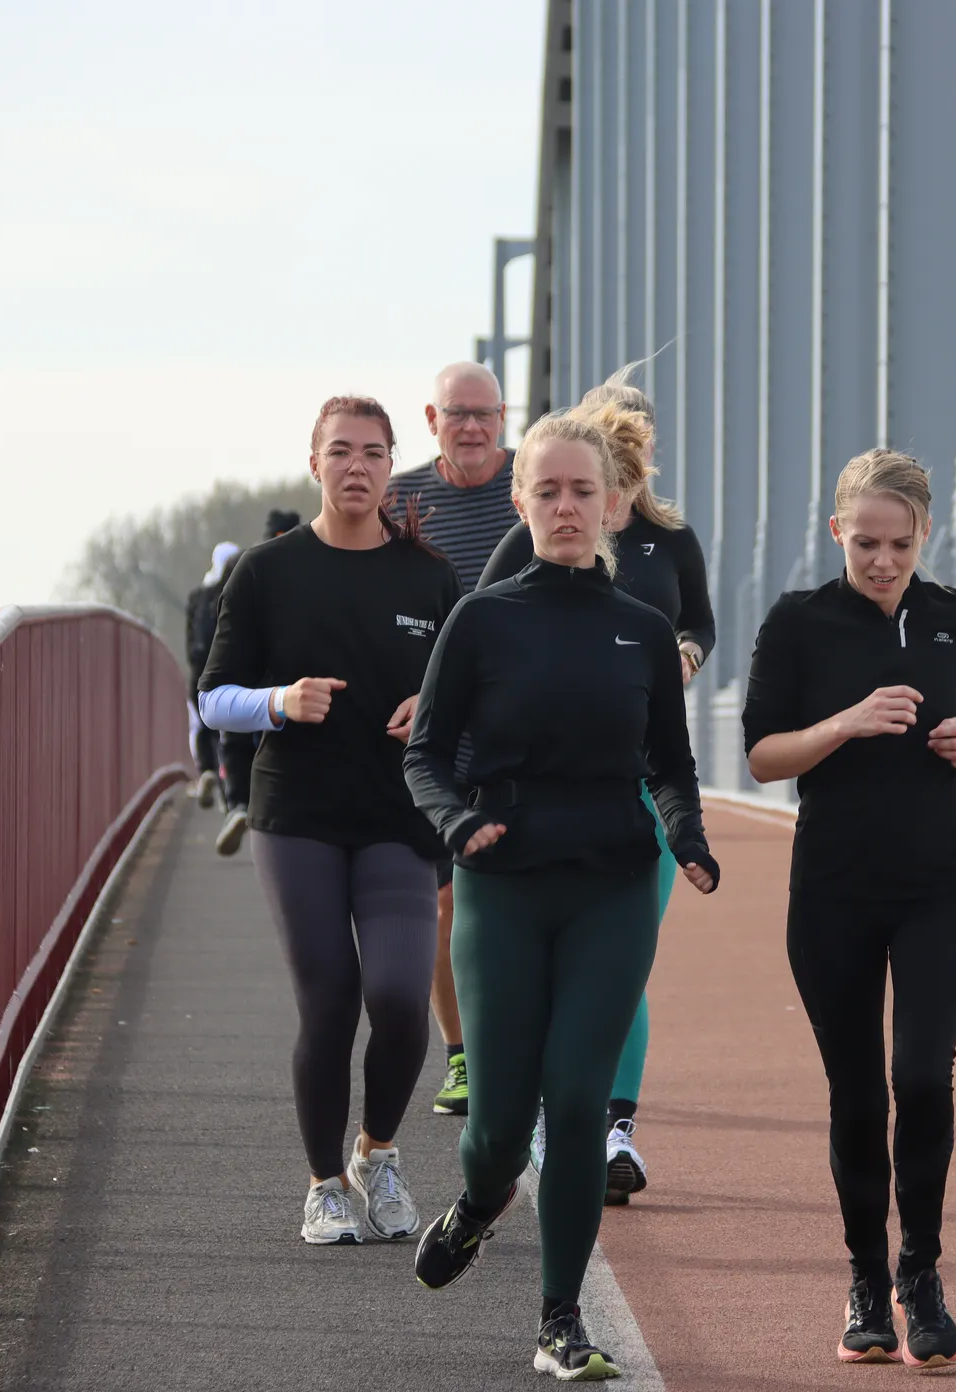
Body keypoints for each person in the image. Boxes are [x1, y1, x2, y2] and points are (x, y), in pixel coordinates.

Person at [404, 412, 720, 1381]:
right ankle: (478, 1202)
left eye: (584, 491)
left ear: (614, 504)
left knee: (578, 1103)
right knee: (500, 1129)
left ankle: (560, 1320)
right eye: (548, 491)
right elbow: (426, 755)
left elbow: (670, 763)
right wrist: (458, 823)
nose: (568, 507)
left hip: (610, 887)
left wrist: (687, 835)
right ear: (522, 501)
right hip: (502, 885)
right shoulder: (482, 619)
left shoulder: (644, 630)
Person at [741, 448, 956, 1370]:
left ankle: (920, 1274)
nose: (883, 561)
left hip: (938, 885)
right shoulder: (798, 622)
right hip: (833, 890)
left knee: (923, 1078)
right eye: (864, 544)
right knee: (855, 1093)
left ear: (925, 533)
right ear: (836, 534)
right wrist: (844, 723)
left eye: (899, 543)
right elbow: (761, 756)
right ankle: (865, 1281)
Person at [198, 397, 460, 1246]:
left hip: (397, 812)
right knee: (331, 999)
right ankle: (323, 1186)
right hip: (298, 814)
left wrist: (432, 707)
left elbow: (466, 694)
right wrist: (280, 701)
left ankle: (377, 1153)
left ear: (391, 466)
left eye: (374, 453)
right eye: (341, 451)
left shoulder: (429, 577)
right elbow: (212, 699)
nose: (358, 466)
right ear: (315, 464)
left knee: (400, 998)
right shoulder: (267, 571)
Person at [479, 367, 713, 1204]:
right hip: (544, 788)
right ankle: (549, 1110)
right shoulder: (543, 533)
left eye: (633, 452)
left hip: (640, 780)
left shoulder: (671, 540)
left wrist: (687, 652)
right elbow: (485, 619)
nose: (623, 466)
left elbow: (701, 618)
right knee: (549, 964)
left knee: (624, 959)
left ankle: (614, 1130)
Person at [389, 362, 521, 1118]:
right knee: (443, 901)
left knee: (520, 900)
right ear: (431, 419)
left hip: (523, 732)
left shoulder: (536, 484)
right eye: (457, 413)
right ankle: (463, 1056)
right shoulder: (400, 501)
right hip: (440, 733)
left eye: (485, 413)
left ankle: (525, 1048)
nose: (472, 427)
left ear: (503, 416)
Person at [214, 508, 302, 857]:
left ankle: (239, 803)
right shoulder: (307, 565)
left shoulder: (248, 565)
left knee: (236, 734)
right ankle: (267, 806)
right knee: (276, 741)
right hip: (287, 679)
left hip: (246, 673)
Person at [185, 540, 240, 808]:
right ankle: (229, 788)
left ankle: (206, 770)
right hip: (228, 669)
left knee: (200, 726)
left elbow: (189, 642)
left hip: (199, 673)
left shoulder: (197, 596)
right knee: (229, 731)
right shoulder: (234, 591)